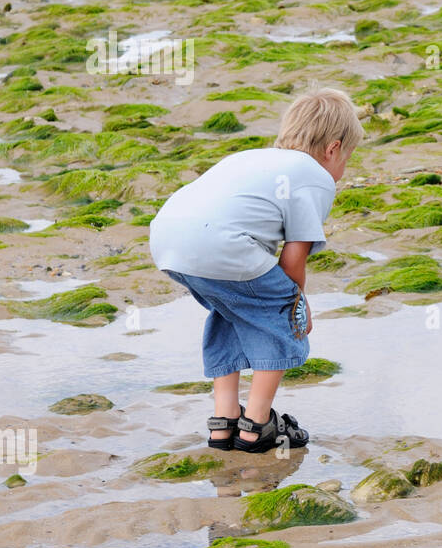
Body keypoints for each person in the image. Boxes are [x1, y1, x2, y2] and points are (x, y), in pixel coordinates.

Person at [149, 88, 362, 453]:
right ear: (332, 149)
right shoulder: (315, 176)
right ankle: (257, 424)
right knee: (279, 317)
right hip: (222, 246)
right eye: (347, 158)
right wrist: (297, 305)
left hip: (168, 240)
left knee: (230, 311)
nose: (342, 170)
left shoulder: (250, 158)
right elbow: (294, 258)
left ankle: (224, 419)